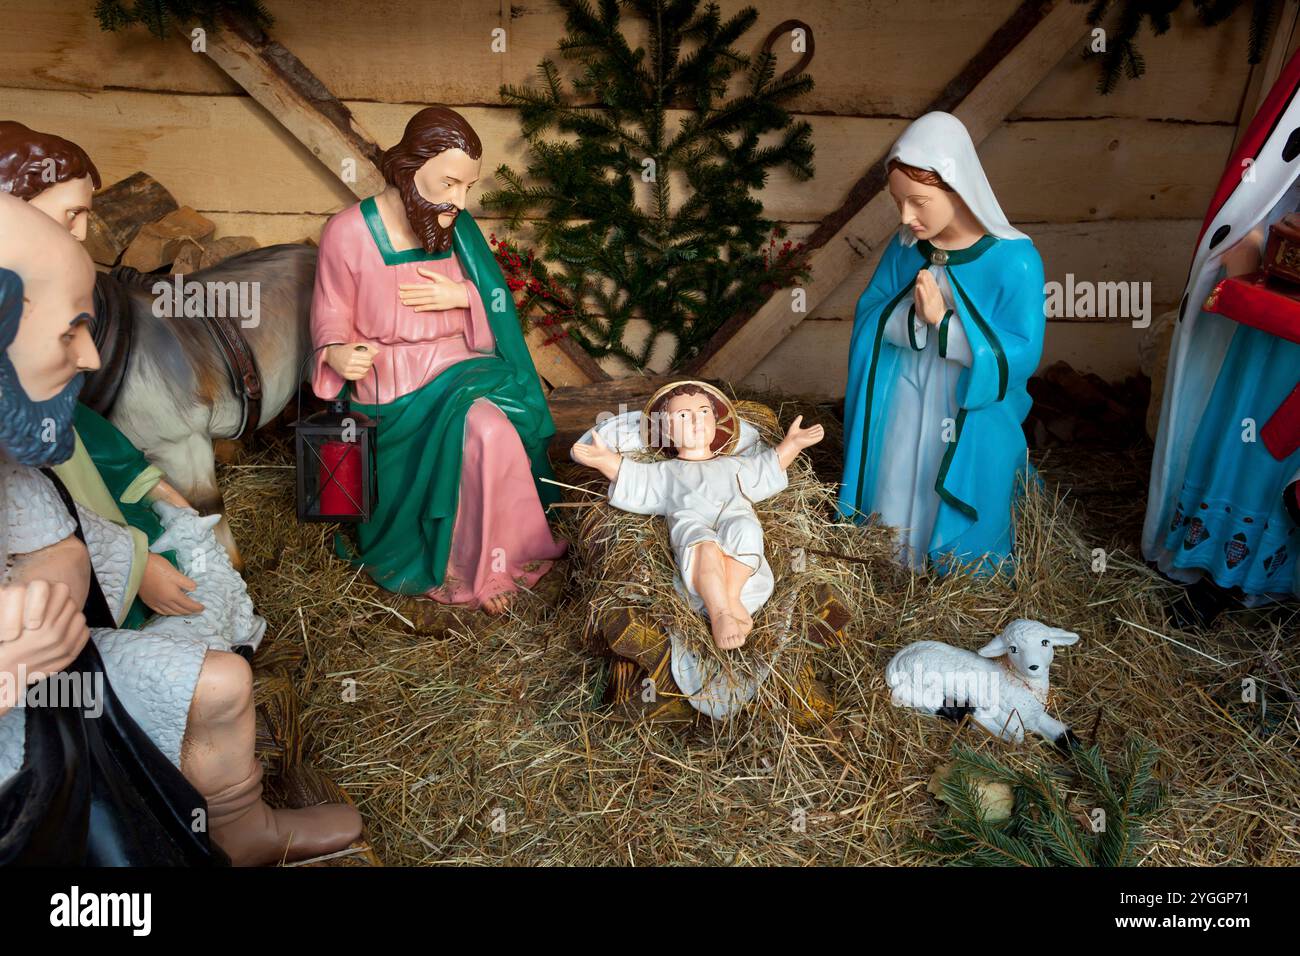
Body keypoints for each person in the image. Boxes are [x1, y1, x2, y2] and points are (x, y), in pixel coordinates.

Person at [311, 106, 567, 614]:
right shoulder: (347, 232)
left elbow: (494, 299)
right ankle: (444, 557)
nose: (459, 200)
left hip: (460, 361)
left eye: (467, 188)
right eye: (450, 183)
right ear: (410, 167)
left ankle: (498, 563)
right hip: (391, 380)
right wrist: (337, 353)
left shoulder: (457, 226)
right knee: (478, 434)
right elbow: (330, 313)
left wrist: (464, 297)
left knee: (494, 430)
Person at [838, 111, 1046, 575]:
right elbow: (870, 312)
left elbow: (1021, 353)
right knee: (897, 470)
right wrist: (909, 318)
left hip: (963, 408)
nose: (906, 217)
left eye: (918, 201)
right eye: (898, 202)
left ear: (957, 188)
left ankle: (955, 568)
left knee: (940, 475)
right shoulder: (907, 247)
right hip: (905, 395)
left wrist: (945, 324)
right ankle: (892, 560)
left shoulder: (1015, 262)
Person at [1144, 51, 1300, 620]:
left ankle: (1276, 577)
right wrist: (1250, 243)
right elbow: (1265, 196)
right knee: (1251, 446)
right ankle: (1222, 571)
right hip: (1273, 345)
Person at [571, 381, 823, 650]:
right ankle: (721, 613)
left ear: (715, 421)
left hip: (735, 520)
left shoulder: (733, 465)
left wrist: (792, 444)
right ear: (666, 429)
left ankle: (732, 596)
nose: (696, 421)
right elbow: (634, 477)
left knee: (746, 529)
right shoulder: (666, 472)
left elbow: (766, 466)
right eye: (682, 416)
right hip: (693, 527)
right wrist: (603, 460)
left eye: (703, 412)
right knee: (702, 544)